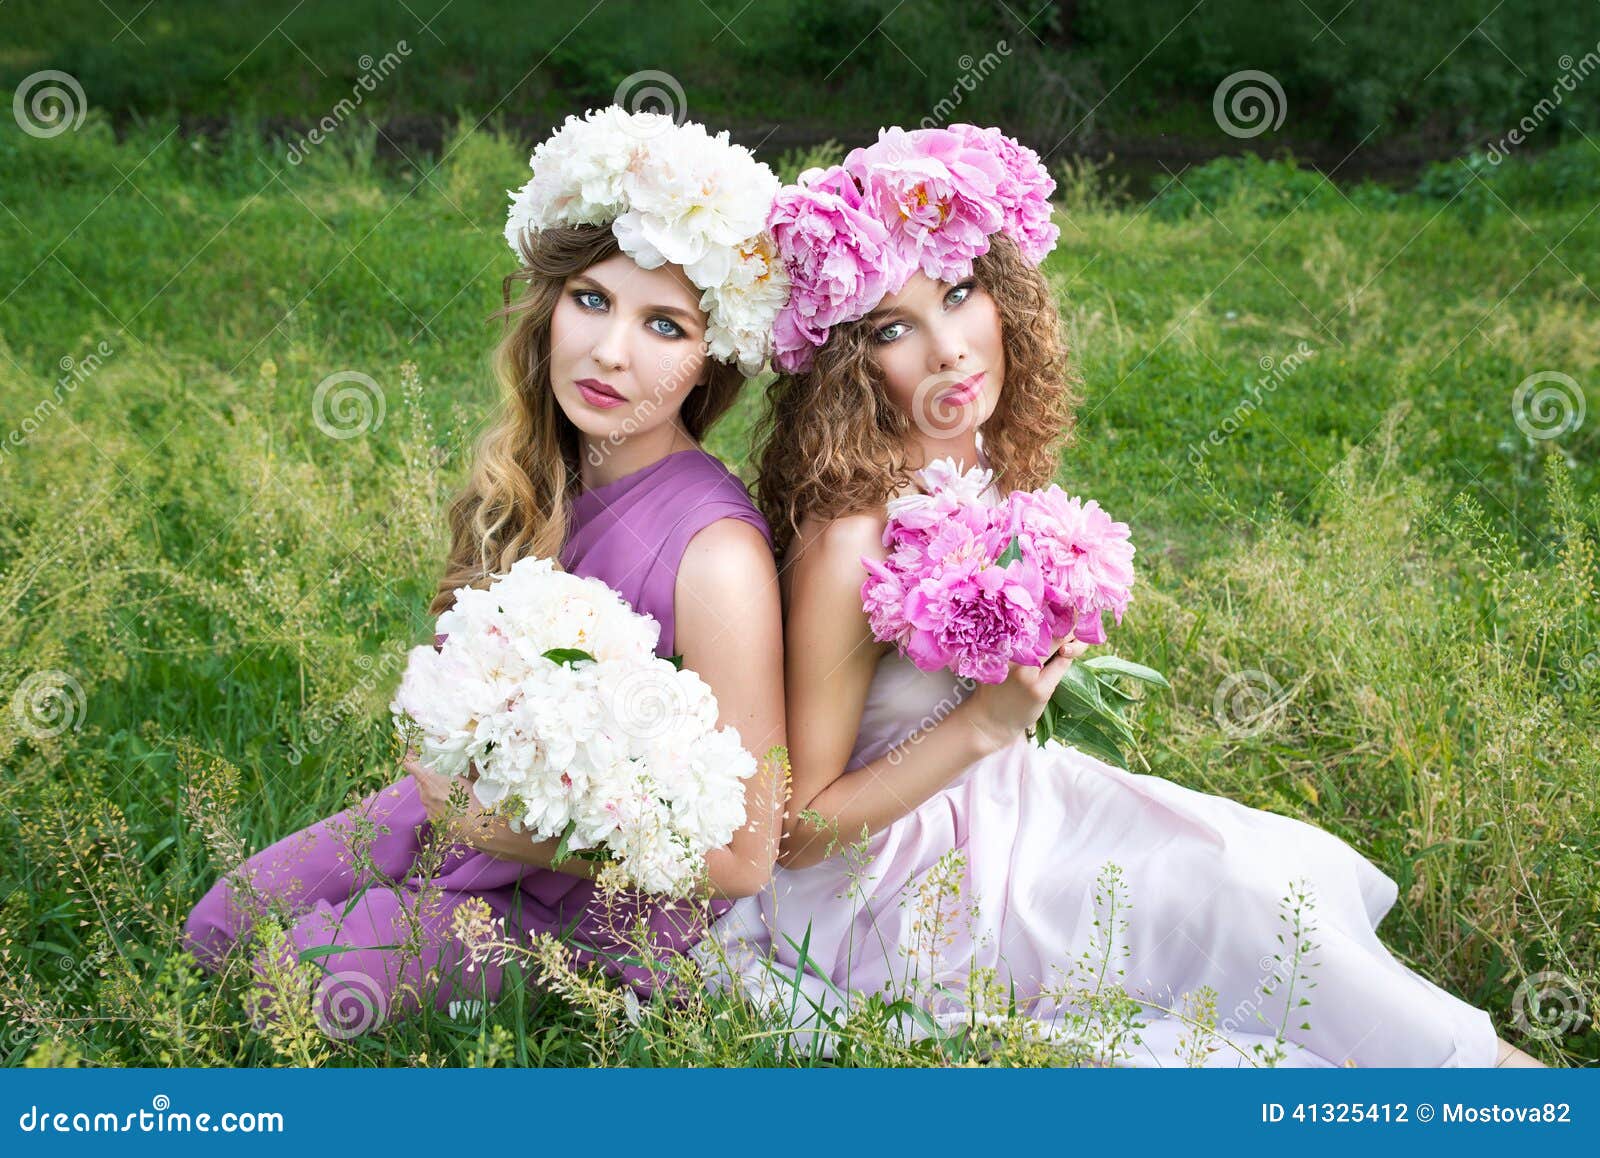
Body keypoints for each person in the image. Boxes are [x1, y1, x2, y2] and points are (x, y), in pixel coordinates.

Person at [692, 123, 1542, 1067]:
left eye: (963, 294)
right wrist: (984, 723)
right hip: (887, 883)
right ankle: (1491, 1090)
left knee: (1241, 875)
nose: (949, 350)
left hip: (1001, 799)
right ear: (852, 363)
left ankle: (1490, 1078)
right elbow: (799, 835)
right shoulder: (849, 538)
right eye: (895, 328)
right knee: (1199, 914)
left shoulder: (967, 460)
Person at [184, 106, 789, 1037]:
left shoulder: (718, 556)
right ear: (550, 306)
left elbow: (746, 857)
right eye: (591, 299)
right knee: (219, 926)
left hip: (577, 905)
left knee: (291, 987)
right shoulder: (540, 475)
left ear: (710, 362)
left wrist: (525, 837)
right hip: (461, 818)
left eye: (663, 324)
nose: (610, 351)